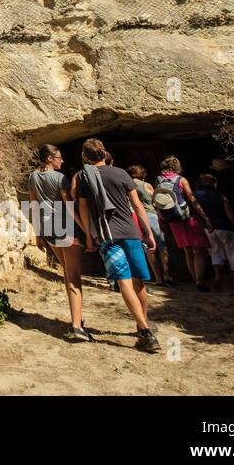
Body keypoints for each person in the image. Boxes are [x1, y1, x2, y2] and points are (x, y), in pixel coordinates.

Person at [71, 138, 161, 353]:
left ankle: (145, 331)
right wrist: (148, 232)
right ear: (104, 153)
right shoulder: (121, 173)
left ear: (85, 156)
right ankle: (143, 326)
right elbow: (137, 205)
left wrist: (89, 235)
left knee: (124, 282)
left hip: (106, 235)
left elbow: (82, 208)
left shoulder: (84, 177)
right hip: (131, 232)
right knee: (138, 280)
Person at [28, 144, 90, 341]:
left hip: (48, 230)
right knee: (74, 278)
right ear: (49, 159)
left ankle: (77, 317)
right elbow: (69, 207)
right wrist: (86, 231)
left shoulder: (33, 177)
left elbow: (34, 204)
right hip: (65, 229)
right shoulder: (60, 178)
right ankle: (77, 327)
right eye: (59, 158)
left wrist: (38, 234)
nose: (62, 161)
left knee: (67, 272)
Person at [153, 156, 214, 291]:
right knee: (198, 250)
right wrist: (204, 217)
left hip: (173, 220)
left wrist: (161, 220)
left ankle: (195, 279)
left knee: (187, 251)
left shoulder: (158, 180)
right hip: (187, 217)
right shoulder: (181, 180)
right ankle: (200, 281)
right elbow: (192, 199)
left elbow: (158, 202)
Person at [194, 173, 234, 290]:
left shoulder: (196, 196)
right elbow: (231, 216)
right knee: (233, 254)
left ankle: (218, 277)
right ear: (213, 183)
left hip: (208, 230)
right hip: (225, 228)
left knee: (216, 254)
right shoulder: (221, 197)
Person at [128, 164, 172, 285]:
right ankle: (167, 275)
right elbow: (156, 202)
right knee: (162, 246)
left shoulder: (127, 184)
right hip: (151, 216)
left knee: (148, 248)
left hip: (137, 218)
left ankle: (157, 278)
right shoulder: (146, 185)